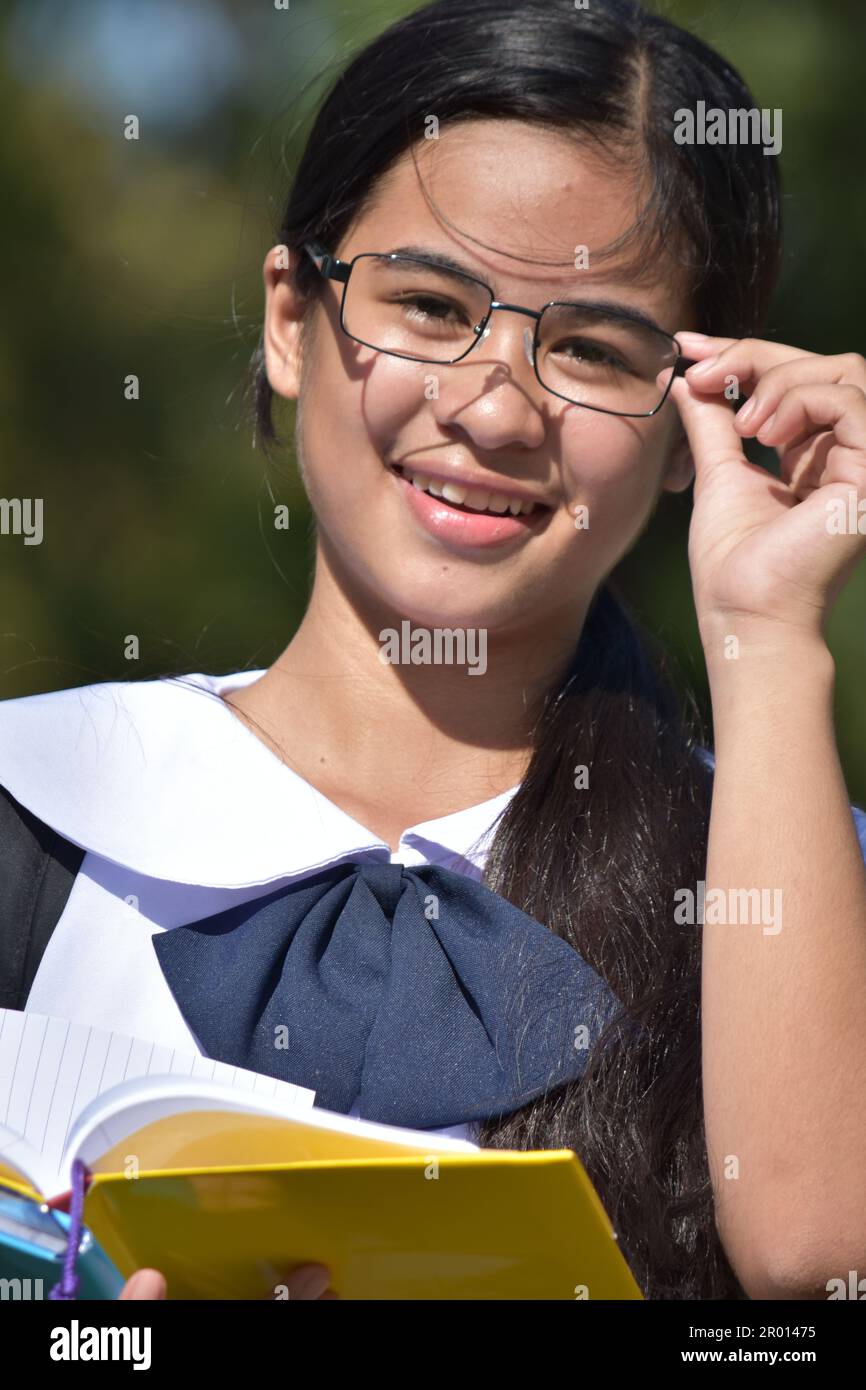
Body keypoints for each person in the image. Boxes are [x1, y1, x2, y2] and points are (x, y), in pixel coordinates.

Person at [2, 0, 866, 1301]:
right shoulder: (33, 806)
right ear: (291, 317)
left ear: (703, 405)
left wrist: (765, 634)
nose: (490, 405)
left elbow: (815, 1267)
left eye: (587, 344)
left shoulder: (794, 887)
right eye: (425, 303)